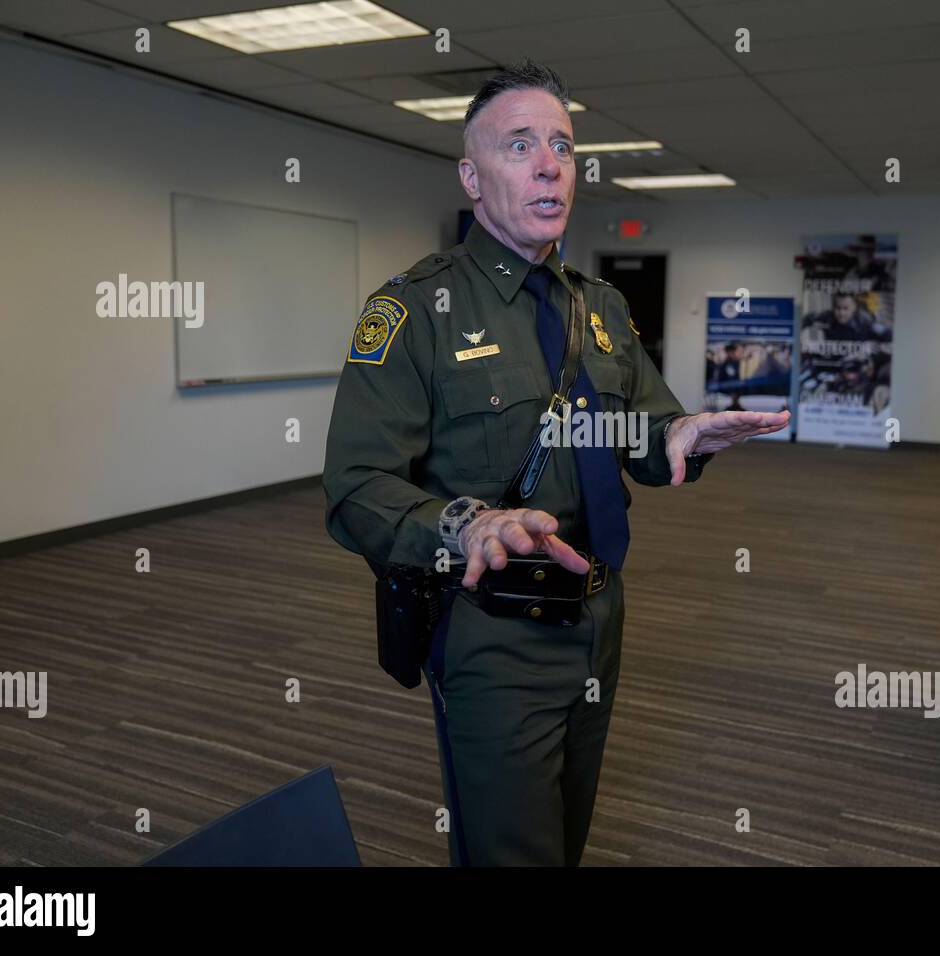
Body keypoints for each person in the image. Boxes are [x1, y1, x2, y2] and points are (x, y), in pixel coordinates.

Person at [322, 59, 789, 866]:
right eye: (520, 146)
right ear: (472, 176)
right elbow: (354, 490)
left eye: (564, 147)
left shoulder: (598, 308)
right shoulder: (412, 312)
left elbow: (642, 434)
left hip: (601, 621)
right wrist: (466, 523)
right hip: (493, 628)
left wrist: (678, 438)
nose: (550, 166)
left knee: (565, 839)